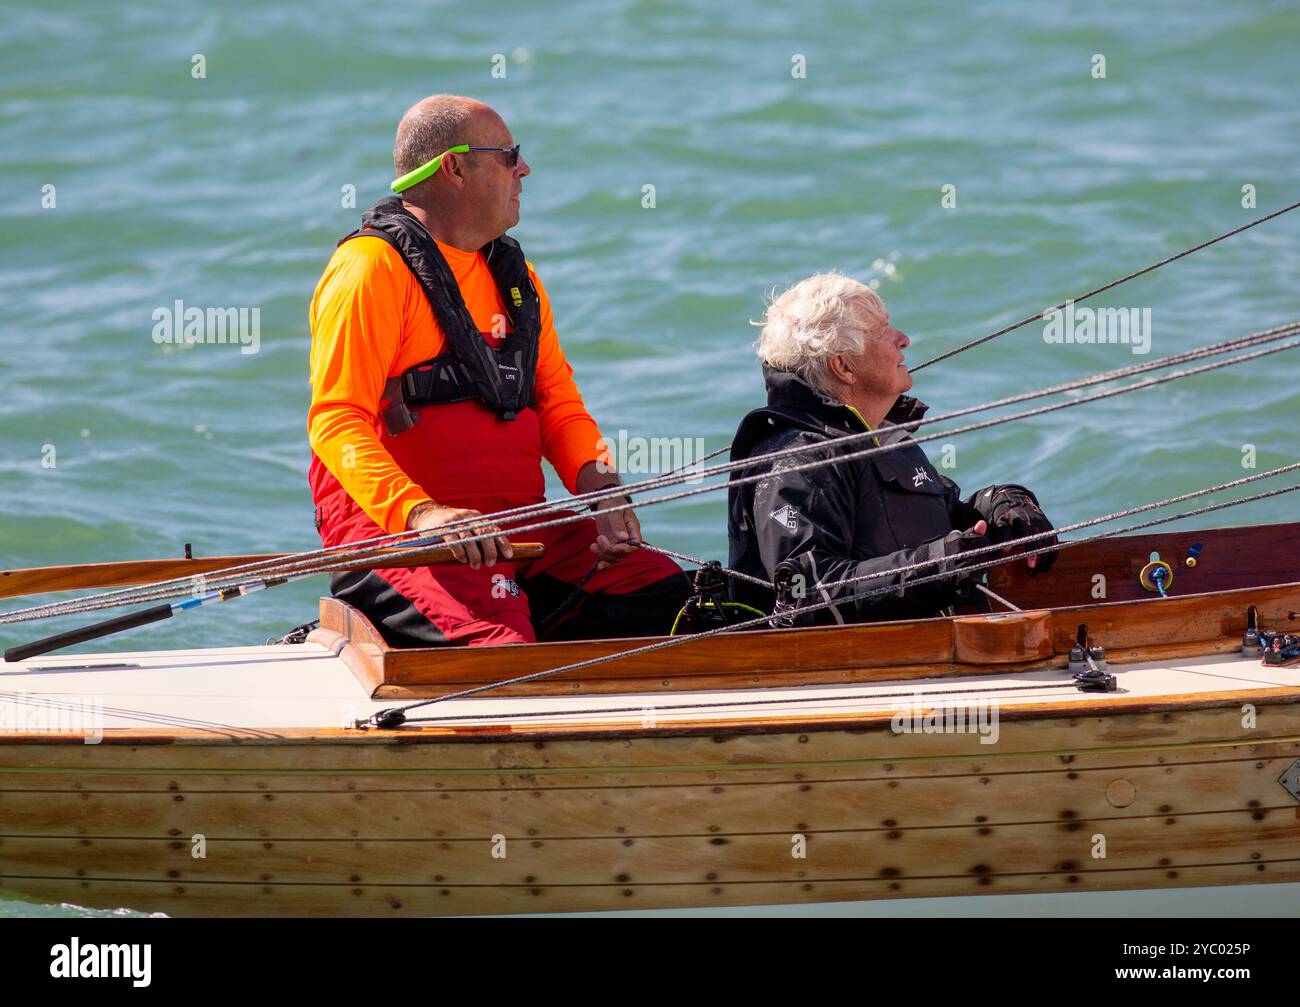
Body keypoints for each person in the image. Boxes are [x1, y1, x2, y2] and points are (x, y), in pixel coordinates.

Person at [308, 95, 690, 647]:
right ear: (455, 168)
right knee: (500, 654)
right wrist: (423, 516)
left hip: (517, 528)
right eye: (509, 155)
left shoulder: (517, 276)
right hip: (404, 535)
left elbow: (557, 399)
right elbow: (336, 423)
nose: (524, 168)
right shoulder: (370, 271)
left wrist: (602, 493)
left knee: (670, 599)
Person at [727, 272, 1057, 625]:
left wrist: (1002, 504)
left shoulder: (880, 436)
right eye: (883, 332)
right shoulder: (799, 460)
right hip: (851, 674)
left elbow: (942, 524)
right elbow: (802, 593)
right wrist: (934, 569)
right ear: (843, 366)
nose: (903, 339)